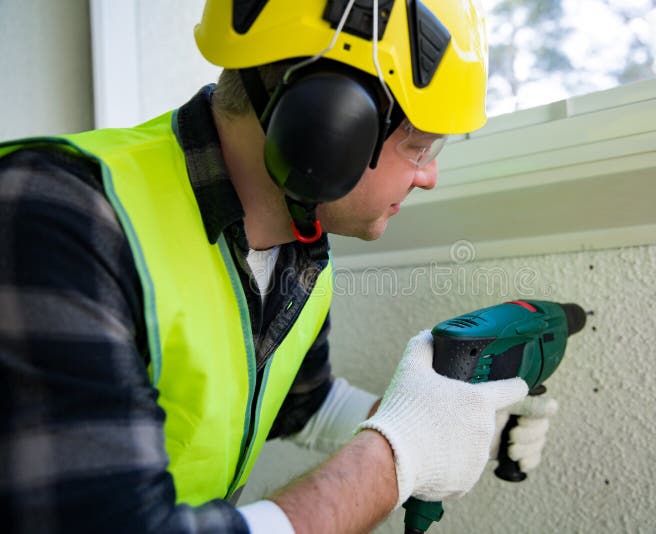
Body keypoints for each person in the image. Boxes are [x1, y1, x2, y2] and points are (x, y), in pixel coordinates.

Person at [0, 1, 557, 532]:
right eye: (422, 146)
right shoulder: (58, 215)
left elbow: (304, 406)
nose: (429, 174)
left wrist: (447, 424)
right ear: (333, 124)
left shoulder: (302, 253)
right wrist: (395, 458)